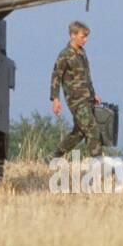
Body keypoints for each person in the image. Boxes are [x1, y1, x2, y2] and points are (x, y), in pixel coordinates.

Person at [50, 21, 103, 157]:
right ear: (72, 35)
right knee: (92, 129)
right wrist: (55, 99)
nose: (85, 40)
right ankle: (98, 163)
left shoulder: (82, 53)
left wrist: (93, 94)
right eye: (82, 37)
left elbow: (86, 77)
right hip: (76, 100)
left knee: (79, 133)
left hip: (87, 98)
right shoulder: (65, 54)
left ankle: (53, 156)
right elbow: (56, 76)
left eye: (86, 37)